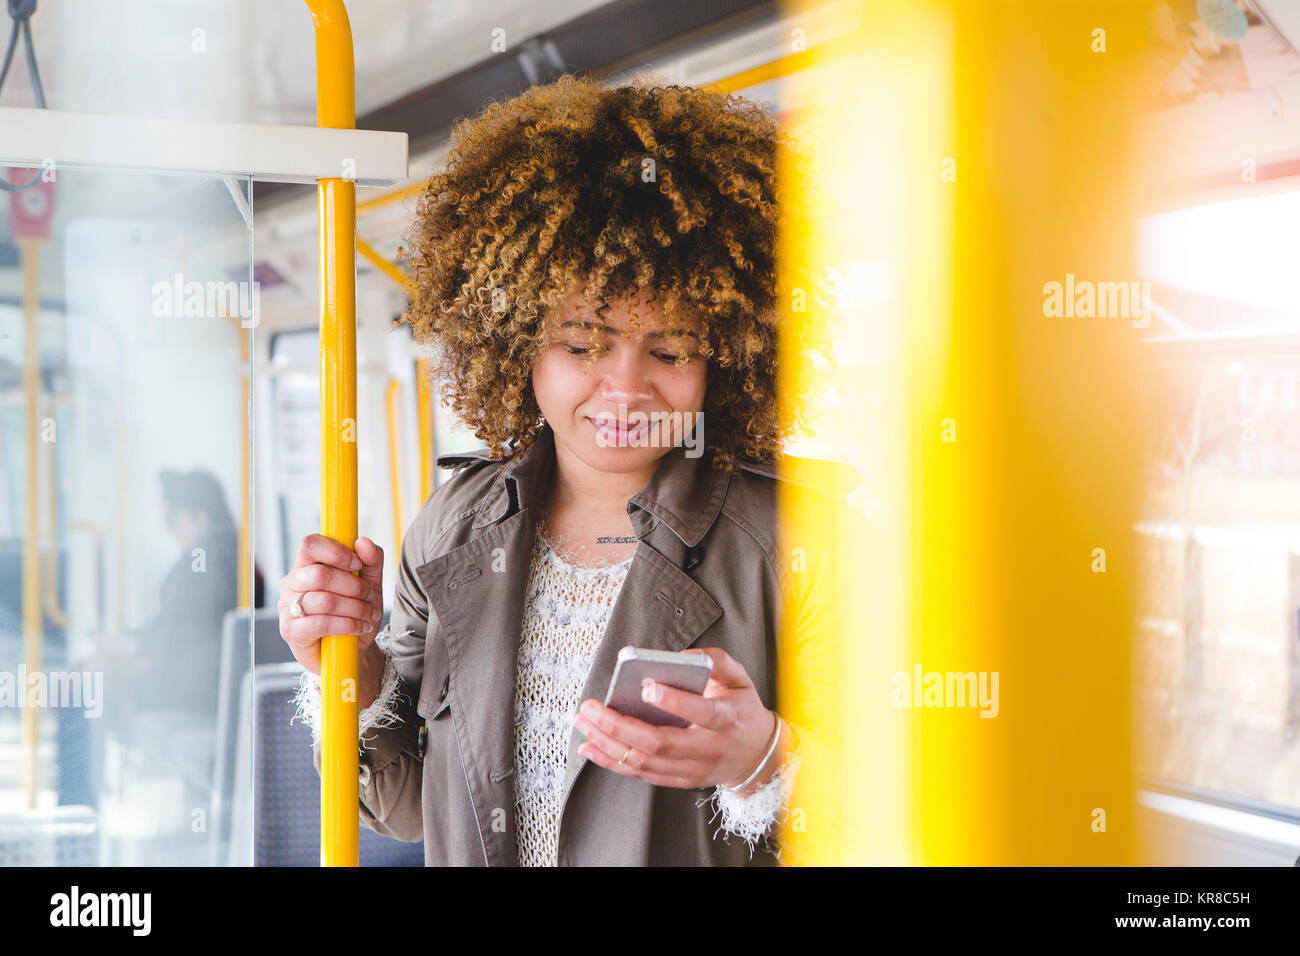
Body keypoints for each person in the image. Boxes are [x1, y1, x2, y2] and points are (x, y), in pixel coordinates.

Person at [279, 74, 853, 866]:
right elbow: (405, 807)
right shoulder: (451, 526)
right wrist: (351, 669)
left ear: (725, 352)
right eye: (583, 345)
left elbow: (920, 811)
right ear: (517, 346)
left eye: (670, 349)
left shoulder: (808, 543)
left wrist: (766, 761)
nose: (625, 388)